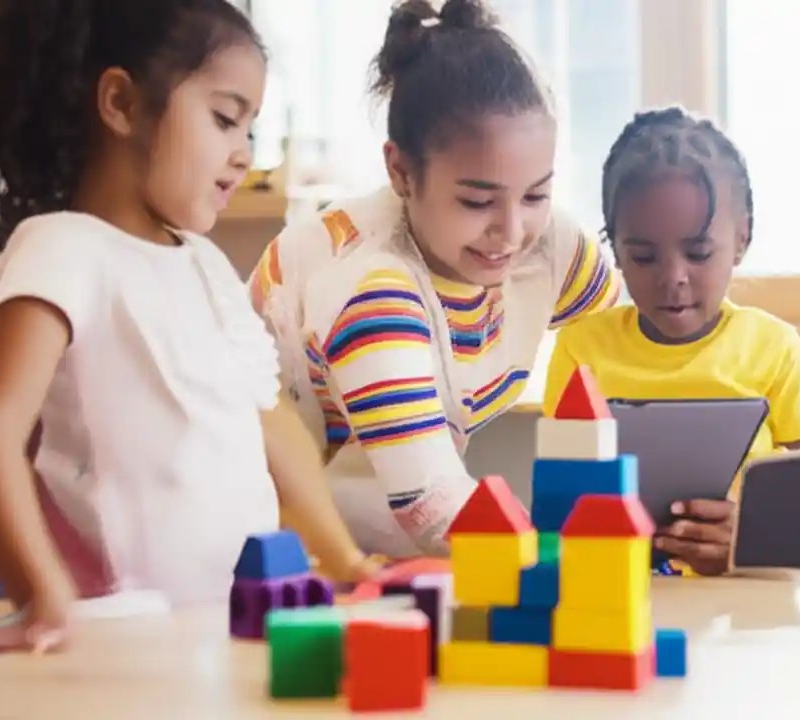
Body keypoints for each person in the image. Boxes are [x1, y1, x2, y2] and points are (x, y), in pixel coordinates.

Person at [0, 0, 375, 655]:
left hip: (229, 627)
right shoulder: (63, 248)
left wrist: (344, 558)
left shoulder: (204, 265)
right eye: (225, 119)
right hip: (121, 633)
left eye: (251, 131)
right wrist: (40, 593)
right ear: (120, 102)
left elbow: (271, 424)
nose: (243, 155)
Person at [249, 0, 620, 558]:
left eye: (536, 193)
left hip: (374, 521)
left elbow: (632, 358)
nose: (511, 231)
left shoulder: (547, 246)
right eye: (477, 201)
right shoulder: (372, 287)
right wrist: (573, 558)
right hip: (274, 532)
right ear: (400, 171)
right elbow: (432, 504)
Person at [543, 107, 800, 576]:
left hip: (746, 593)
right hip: (620, 592)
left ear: (741, 240)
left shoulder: (773, 348)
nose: (673, 278)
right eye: (643, 256)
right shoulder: (581, 351)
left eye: (699, 253)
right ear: (616, 249)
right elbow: (562, 499)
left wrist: (751, 539)